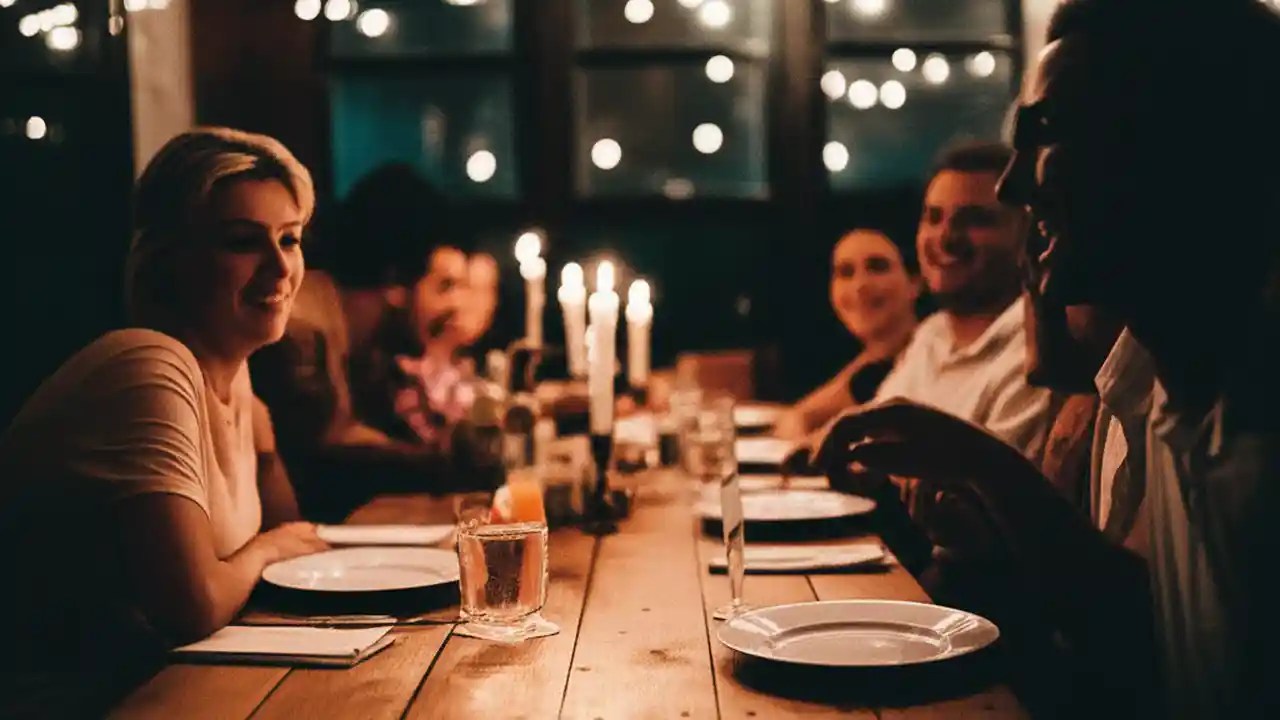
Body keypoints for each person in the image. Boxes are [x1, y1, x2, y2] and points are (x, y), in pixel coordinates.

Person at [815, 1, 1280, 716]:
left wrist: (985, 470)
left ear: (1179, 145)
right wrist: (991, 504)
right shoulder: (1154, 387)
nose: (1014, 189)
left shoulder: (1252, 404)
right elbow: (1151, 645)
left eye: (1049, 135)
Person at [0, 128, 329, 712]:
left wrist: (262, 443)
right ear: (170, 258)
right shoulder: (149, 365)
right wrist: (265, 551)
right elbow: (194, 605)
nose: (280, 267)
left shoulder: (229, 370)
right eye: (242, 242)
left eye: (290, 238)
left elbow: (300, 549)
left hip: (166, 689)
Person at [866, 142, 1055, 461]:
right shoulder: (932, 335)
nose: (945, 237)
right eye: (933, 217)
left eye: (975, 220)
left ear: (1028, 233)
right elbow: (868, 438)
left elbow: (980, 498)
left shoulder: (1033, 353)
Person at [773, 229, 918, 440]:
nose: (860, 285)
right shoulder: (873, 362)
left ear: (915, 282)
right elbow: (798, 417)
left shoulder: (925, 354)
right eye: (845, 272)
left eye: (877, 267)